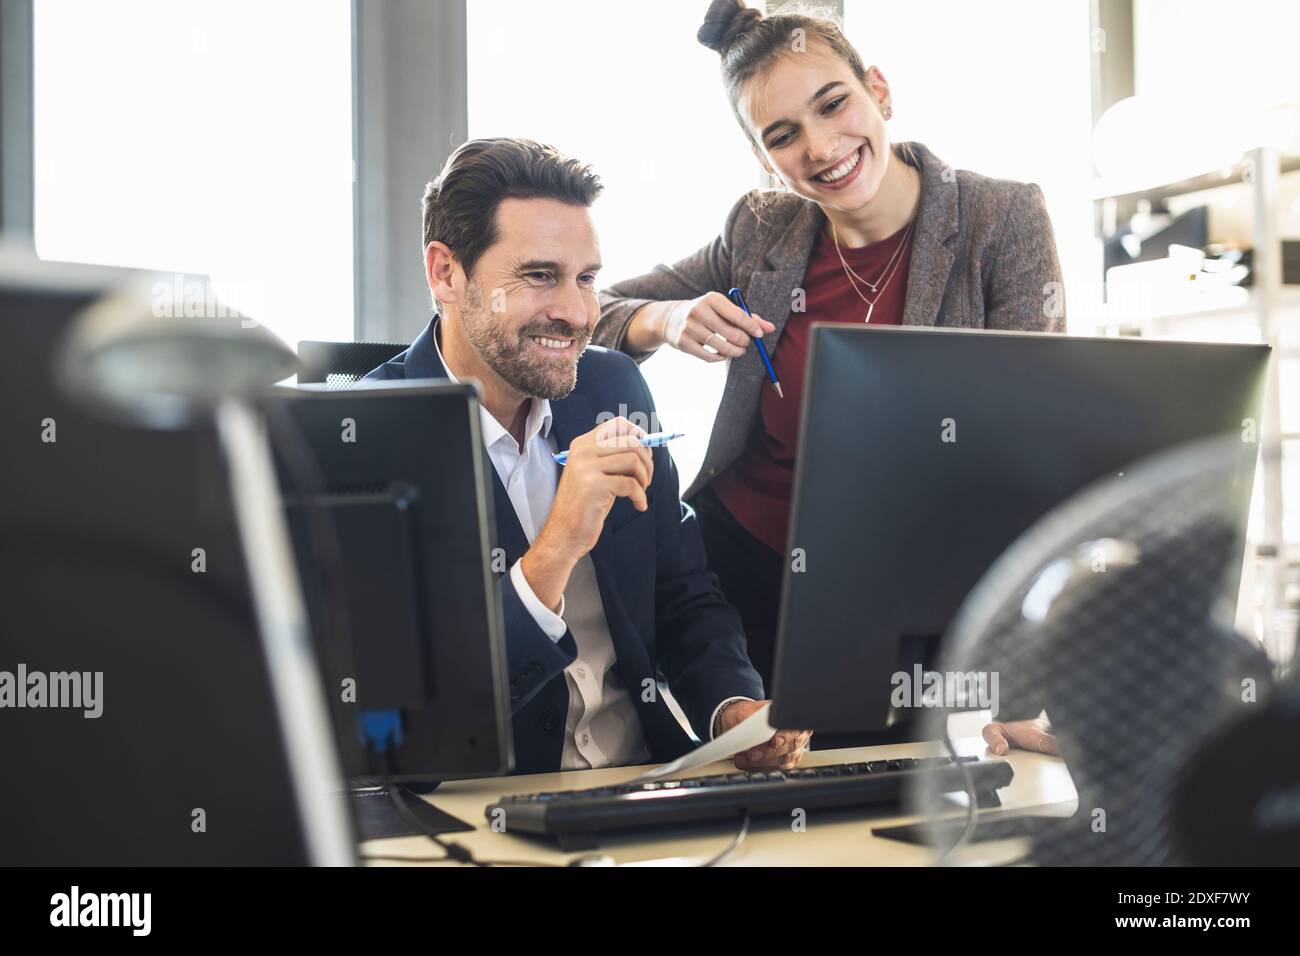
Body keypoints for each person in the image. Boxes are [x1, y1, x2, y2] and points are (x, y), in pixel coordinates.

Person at [593, 0, 1065, 752]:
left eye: (833, 104)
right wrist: (665, 321)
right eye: (782, 136)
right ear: (764, 156)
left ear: (878, 90)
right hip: (744, 573)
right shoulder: (761, 229)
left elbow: (1029, 449)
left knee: (903, 802)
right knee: (763, 805)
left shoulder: (998, 220)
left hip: (906, 585)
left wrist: (1018, 673)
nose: (819, 147)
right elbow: (592, 306)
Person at [365, 137, 812, 774]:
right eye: (539, 276)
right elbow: (406, 719)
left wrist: (731, 708)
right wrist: (557, 546)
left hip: (648, 790)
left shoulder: (612, 386)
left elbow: (683, 594)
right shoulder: (371, 439)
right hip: (484, 809)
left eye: (587, 279)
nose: (576, 313)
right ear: (446, 273)